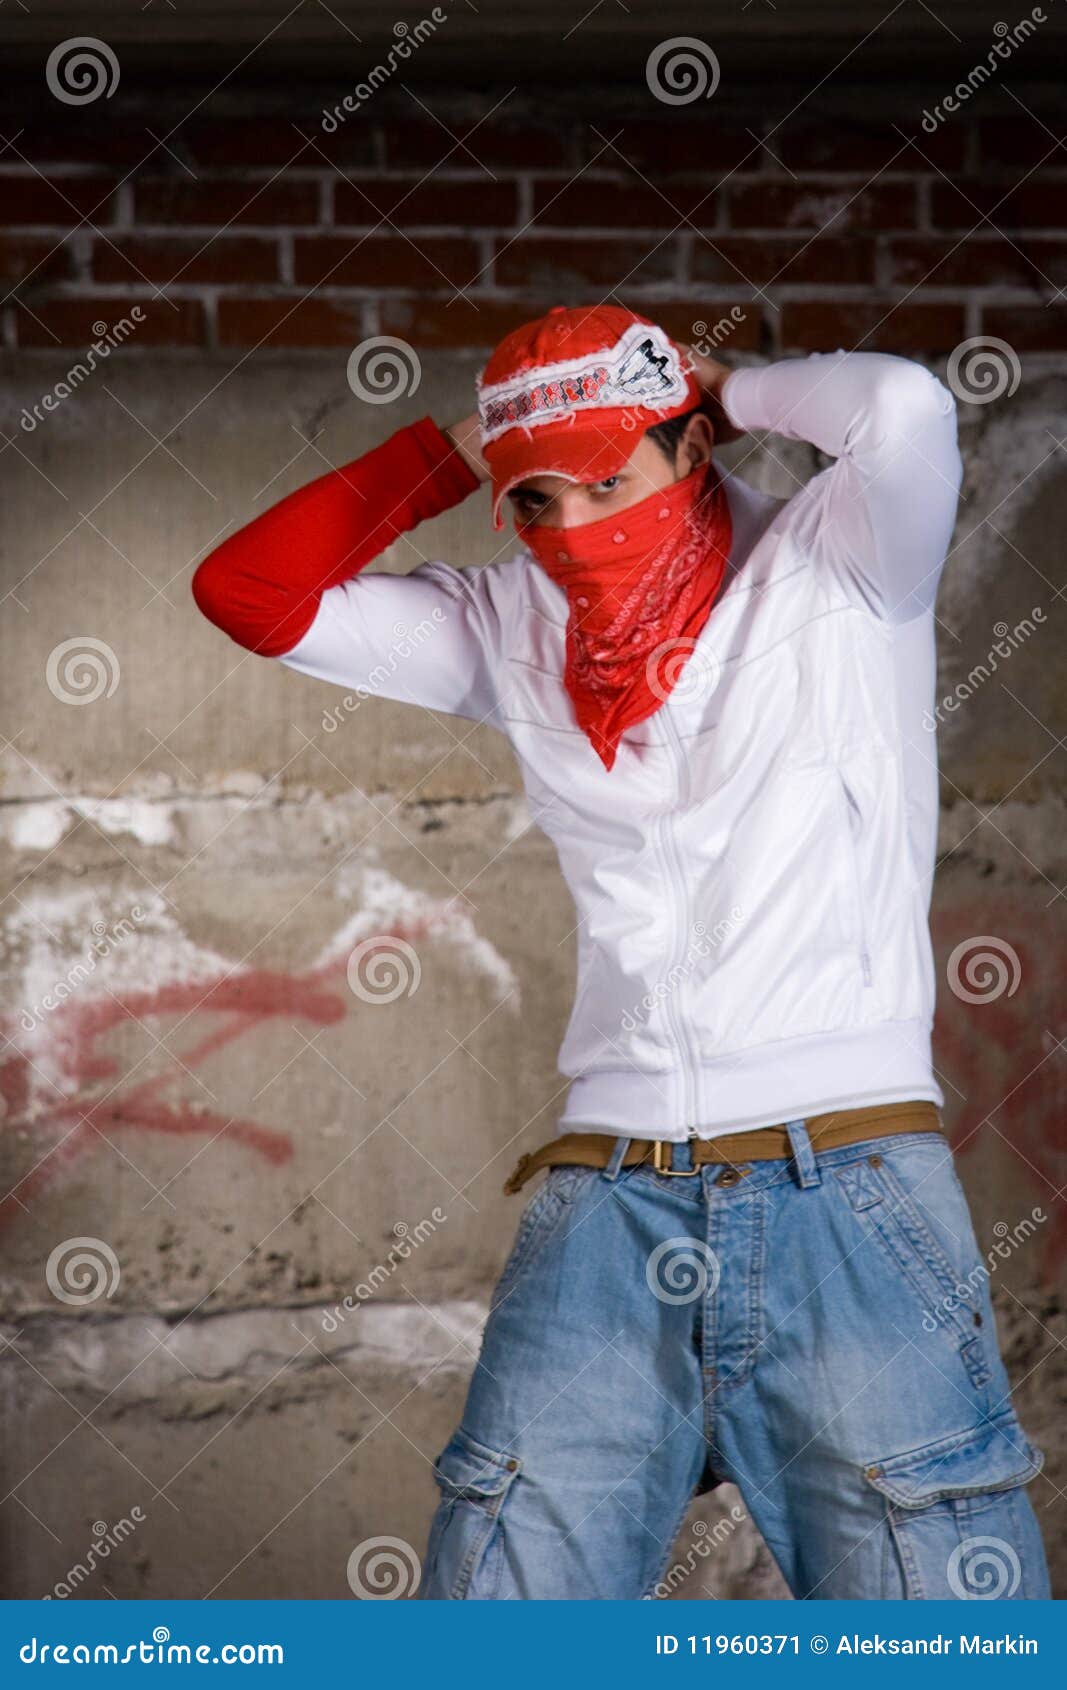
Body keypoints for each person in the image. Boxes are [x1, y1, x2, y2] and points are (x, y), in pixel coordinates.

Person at [192, 304, 1050, 1601]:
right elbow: (248, 591)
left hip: (851, 1185)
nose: (578, 525)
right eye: (537, 498)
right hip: (609, 1197)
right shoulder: (506, 620)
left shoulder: (846, 558)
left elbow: (906, 411)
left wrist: (730, 381)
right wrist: (471, 445)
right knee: (493, 1644)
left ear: (686, 443)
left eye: (611, 476)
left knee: (933, 1645)